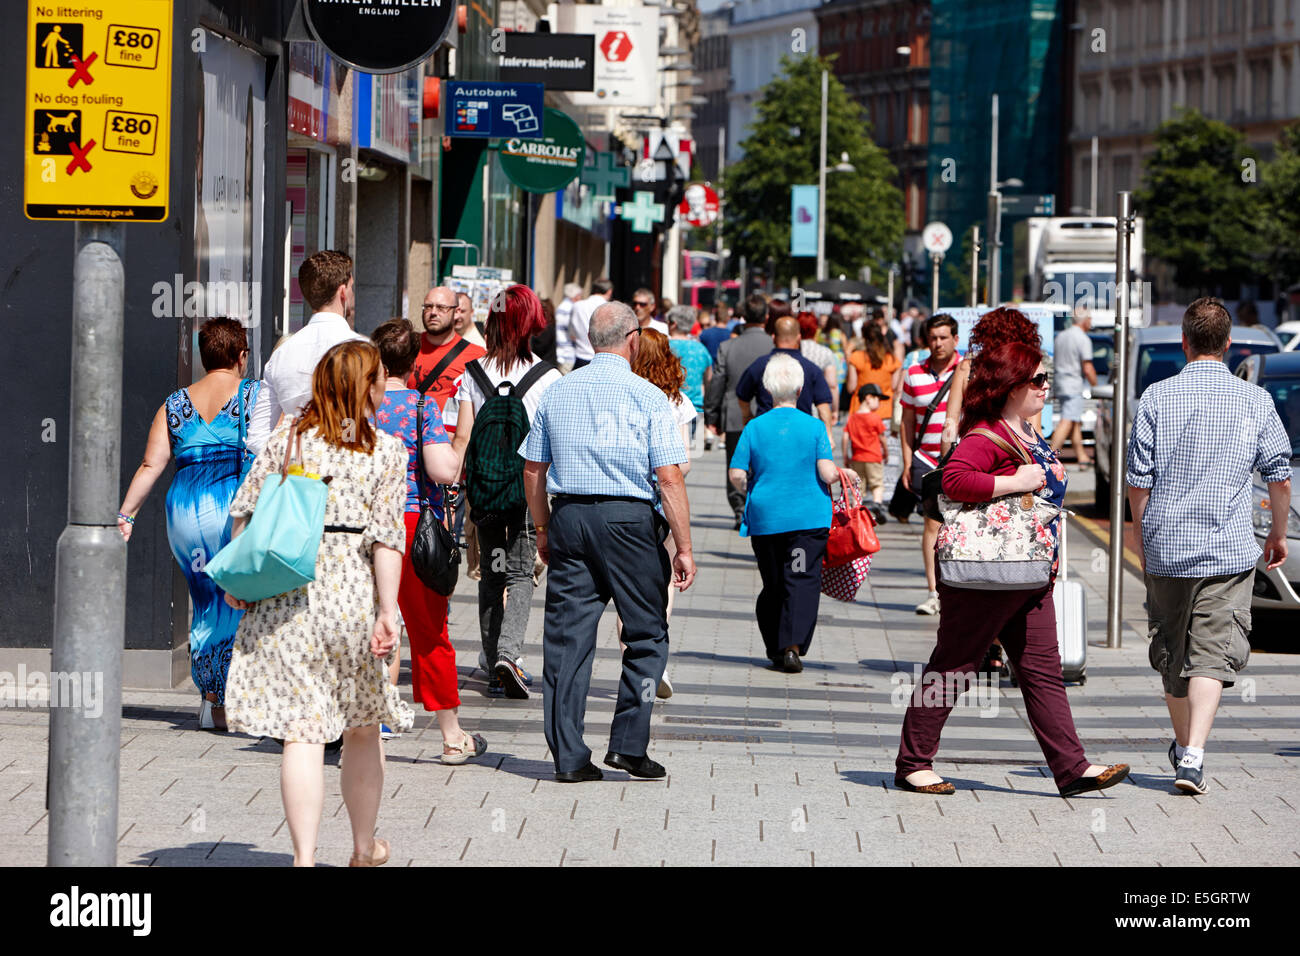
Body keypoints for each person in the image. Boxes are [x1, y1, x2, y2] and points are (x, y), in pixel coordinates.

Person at [895, 341, 1130, 797]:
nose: (1046, 386)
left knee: (1042, 670)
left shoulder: (1022, 429)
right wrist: (1016, 480)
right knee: (954, 665)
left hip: (1028, 572)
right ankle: (913, 761)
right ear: (1008, 386)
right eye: (1037, 380)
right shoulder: (986, 435)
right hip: (985, 574)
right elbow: (955, 479)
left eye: (1045, 378)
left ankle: (1071, 767)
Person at [223, 340, 417, 866]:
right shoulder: (386, 450)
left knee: (302, 732)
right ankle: (362, 849)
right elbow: (387, 539)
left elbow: (244, 511)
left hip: (288, 593)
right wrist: (386, 611)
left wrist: (238, 580)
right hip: (352, 595)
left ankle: (304, 859)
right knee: (360, 726)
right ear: (370, 386)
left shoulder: (288, 439)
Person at [522, 302, 696, 783]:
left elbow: (533, 468)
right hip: (629, 522)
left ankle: (569, 756)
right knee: (645, 634)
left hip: (570, 516)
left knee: (566, 640)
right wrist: (683, 546)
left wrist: (542, 530)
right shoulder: (648, 396)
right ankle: (627, 745)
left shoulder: (559, 391)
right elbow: (668, 478)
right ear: (633, 339)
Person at [1126, 297, 1292, 795]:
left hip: (1167, 547)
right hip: (1228, 551)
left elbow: (1138, 481)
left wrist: (1141, 532)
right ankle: (1193, 755)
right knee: (1212, 652)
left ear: (1184, 342)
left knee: (1172, 650)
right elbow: (1279, 476)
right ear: (1227, 345)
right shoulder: (1255, 400)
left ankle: (1185, 749)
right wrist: (1278, 535)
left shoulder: (1156, 397)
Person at [116, 318, 260, 731]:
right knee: (241, 598)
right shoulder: (254, 395)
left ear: (203, 356)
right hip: (235, 507)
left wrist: (126, 515)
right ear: (241, 355)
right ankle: (236, 696)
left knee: (206, 601)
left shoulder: (175, 404)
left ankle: (211, 698)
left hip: (186, 511)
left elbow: (151, 465)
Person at [369, 320, 487, 762]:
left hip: (363, 527)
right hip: (413, 526)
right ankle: (453, 737)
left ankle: (366, 728)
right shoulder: (420, 407)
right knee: (429, 632)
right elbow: (443, 471)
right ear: (413, 360)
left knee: (369, 629)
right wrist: (457, 444)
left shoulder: (358, 408)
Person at [450, 286, 561, 699]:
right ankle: (509, 654)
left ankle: (492, 653)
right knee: (521, 572)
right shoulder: (548, 377)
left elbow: (463, 437)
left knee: (492, 572)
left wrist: (457, 490)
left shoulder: (472, 372)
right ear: (531, 323)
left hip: (486, 495)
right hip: (527, 493)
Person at [728, 355, 837, 673]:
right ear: (801, 388)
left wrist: (751, 483)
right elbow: (827, 471)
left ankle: (776, 644)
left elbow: (736, 474)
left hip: (766, 519)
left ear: (767, 388)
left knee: (774, 581)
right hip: (807, 521)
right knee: (801, 578)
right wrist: (845, 476)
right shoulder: (815, 427)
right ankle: (791, 647)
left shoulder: (754, 427)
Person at [628, 327, 697, 698]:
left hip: (627, 498)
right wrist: (663, 472)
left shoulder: (625, 394)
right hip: (665, 501)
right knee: (665, 580)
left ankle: (632, 655)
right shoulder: (678, 401)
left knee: (627, 583)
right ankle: (657, 658)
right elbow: (684, 463)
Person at [246, 250, 366, 455]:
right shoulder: (361, 350)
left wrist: (297, 460)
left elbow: (257, 437)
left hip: (295, 477)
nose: (353, 295)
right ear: (343, 292)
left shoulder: (282, 354)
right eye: (353, 288)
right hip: (344, 473)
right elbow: (357, 424)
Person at [900, 314, 961, 615]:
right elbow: (907, 421)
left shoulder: (968, 372)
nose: (937, 344)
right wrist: (907, 462)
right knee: (932, 524)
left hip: (961, 460)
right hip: (926, 459)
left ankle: (959, 588)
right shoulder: (914, 373)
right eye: (933, 338)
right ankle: (933, 591)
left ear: (955, 340)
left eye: (943, 337)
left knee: (961, 523)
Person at [704, 293, 774, 529]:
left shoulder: (728, 347)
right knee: (765, 463)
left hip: (735, 413)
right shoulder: (774, 346)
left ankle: (739, 508)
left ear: (743, 317)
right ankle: (762, 507)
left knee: (736, 463)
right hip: (769, 414)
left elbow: (718, 382)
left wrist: (711, 414)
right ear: (766, 317)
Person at [939, 307, 1043, 458]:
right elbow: (1034, 427)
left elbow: (950, 422)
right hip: (1013, 456)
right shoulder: (1026, 373)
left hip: (974, 453)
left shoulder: (968, 368)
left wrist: (945, 460)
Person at [737, 315, 834, 445]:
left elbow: (742, 396)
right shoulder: (812, 369)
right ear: (799, 338)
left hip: (765, 435)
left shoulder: (759, 365)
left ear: (773, 337)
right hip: (801, 436)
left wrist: (747, 416)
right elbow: (823, 408)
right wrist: (828, 435)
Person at [406, 286, 487, 422]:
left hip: (449, 439)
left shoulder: (476, 355)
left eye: (441, 308)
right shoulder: (406, 347)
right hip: (407, 436)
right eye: (428, 307)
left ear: (455, 312)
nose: (433, 312)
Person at [1049, 307, 1098, 467]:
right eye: (1090, 318)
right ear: (1084, 321)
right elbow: (1087, 367)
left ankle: (1082, 456)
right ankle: (1049, 457)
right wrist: (1095, 385)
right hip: (1073, 384)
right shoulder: (1083, 339)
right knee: (1068, 420)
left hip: (1060, 383)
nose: (1091, 321)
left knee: (1074, 421)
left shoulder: (1060, 336)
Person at [667, 304, 713, 451]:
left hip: (667, 408)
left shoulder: (663, 346)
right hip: (694, 408)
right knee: (684, 457)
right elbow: (709, 379)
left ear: (673, 324)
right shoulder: (701, 349)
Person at [843, 383, 888, 521]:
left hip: (857, 458)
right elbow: (882, 438)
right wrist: (886, 452)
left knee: (858, 485)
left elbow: (845, 437)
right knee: (877, 484)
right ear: (868, 398)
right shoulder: (875, 418)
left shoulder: (852, 418)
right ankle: (877, 504)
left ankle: (856, 508)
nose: (879, 403)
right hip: (873, 457)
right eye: (877, 399)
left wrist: (846, 455)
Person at [847, 323, 902, 421]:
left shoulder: (855, 357)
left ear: (864, 338)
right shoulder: (891, 360)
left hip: (861, 409)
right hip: (885, 410)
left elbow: (851, 387)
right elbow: (894, 386)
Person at [797, 311, 840, 422]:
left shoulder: (793, 351)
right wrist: (835, 410)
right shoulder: (825, 353)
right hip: (817, 408)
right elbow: (832, 385)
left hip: (793, 406)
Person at [570, 278, 614, 369]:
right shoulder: (610, 308)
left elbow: (572, 334)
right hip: (602, 359)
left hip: (580, 358)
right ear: (609, 292)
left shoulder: (577, 306)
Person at [554, 282, 583, 372]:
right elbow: (573, 331)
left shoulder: (563, 306)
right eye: (580, 295)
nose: (581, 298)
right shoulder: (569, 308)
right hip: (567, 352)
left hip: (563, 351)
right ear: (576, 296)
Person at [531, 297, 557, 364]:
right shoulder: (550, 325)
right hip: (547, 363)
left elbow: (539, 347)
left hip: (544, 365)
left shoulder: (546, 328)